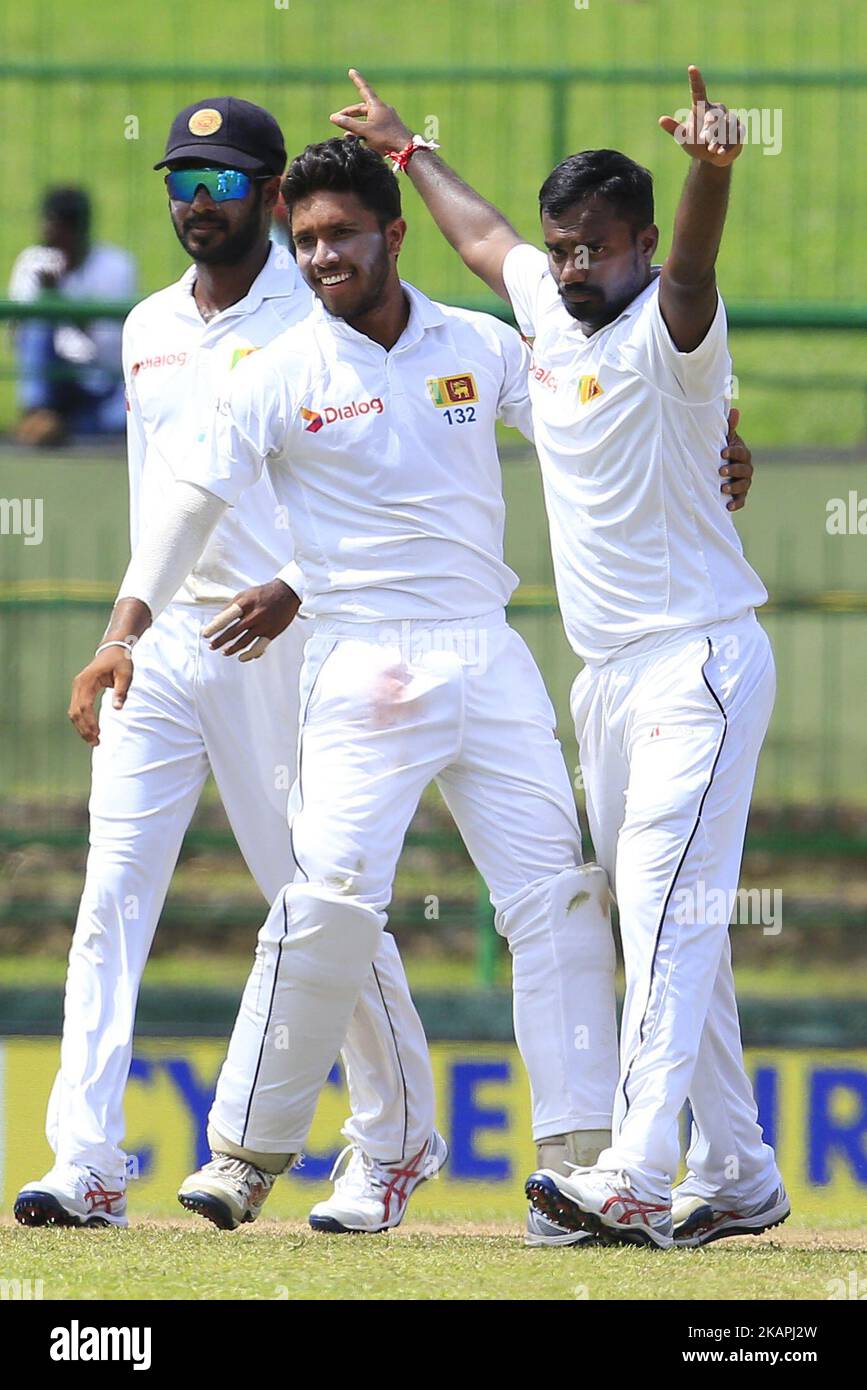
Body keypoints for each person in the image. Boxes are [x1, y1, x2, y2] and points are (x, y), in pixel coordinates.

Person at [66, 135, 626, 1245]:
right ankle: (246, 1154)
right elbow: (185, 507)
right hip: (363, 662)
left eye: (340, 236)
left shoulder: (476, 344)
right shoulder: (277, 375)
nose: (319, 255)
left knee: (557, 902)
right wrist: (122, 630)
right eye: (306, 237)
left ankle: (579, 1169)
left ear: (393, 236)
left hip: (488, 652)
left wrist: (724, 436)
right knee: (324, 905)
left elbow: (595, 407)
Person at [329, 66, 787, 1250]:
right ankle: (735, 1167)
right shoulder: (551, 305)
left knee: (669, 909)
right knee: (657, 917)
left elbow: (690, 265)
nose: (574, 266)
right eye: (564, 248)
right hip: (608, 679)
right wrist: (402, 148)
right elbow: (485, 243)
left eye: (597, 248)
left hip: (698, 661)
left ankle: (637, 1170)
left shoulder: (673, 332)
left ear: (637, 242)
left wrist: (712, 170)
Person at [14, 100, 437, 1234]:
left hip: (279, 647)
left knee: (315, 899)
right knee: (109, 898)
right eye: (181, 184)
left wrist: (299, 578)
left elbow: (387, 476)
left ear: (270, 192)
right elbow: (166, 505)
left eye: (222, 184)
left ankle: (395, 1137)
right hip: (162, 654)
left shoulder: (322, 319)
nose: (197, 205)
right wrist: (119, 634)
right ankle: (87, 1159)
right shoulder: (148, 322)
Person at [8, 187, 137, 445]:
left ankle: (61, 427)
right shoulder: (33, 261)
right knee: (37, 319)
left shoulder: (115, 265)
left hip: (100, 379)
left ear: (78, 230)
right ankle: (38, 411)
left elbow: (113, 349)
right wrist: (47, 299)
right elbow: (18, 337)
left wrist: (62, 300)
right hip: (53, 374)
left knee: (111, 425)